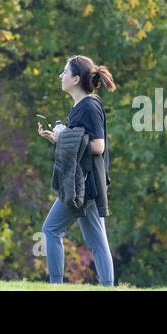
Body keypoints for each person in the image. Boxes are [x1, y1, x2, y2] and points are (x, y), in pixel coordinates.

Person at [37, 54, 117, 286]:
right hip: (85, 183)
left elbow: (98, 146)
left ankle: (55, 285)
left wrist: (65, 135)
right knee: (98, 242)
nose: (61, 76)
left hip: (83, 184)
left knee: (50, 229)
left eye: (65, 72)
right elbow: (78, 144)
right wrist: (58, 138)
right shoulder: (79, 106)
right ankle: (108, 288)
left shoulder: (90, 107)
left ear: (76, 79)